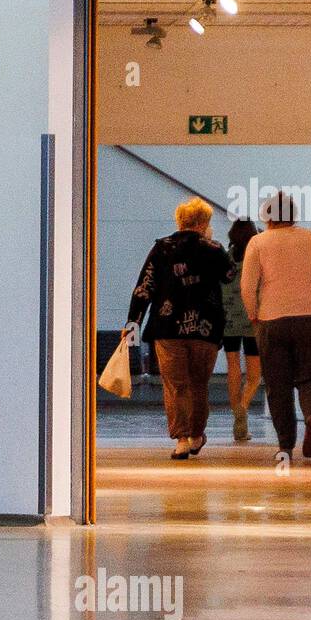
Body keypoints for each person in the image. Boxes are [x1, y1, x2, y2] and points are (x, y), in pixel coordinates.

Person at [125, 197, 236, 460]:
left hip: (167, 328)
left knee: (176, 385)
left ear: (180, 221)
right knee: (199, 384)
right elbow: (230, 275)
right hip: (206, 329)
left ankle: (182, 440)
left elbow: (144, 287)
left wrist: (133, 323)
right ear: (203, 223)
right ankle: (197, 435)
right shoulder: (214, 249)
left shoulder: (162, 248)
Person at [241, 192, 311, 460]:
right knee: (310, 377)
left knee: (278, 385)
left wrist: (253, 315)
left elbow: (247, 287)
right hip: (310, 319)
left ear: (267, 216)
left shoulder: (258, 242)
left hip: (271, 319)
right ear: (293, 215)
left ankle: (285, 444)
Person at [223, 217, 263, 442]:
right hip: (252, 318)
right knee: (255, 375)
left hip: (228, 319)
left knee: (233, 368)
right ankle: (242, 408)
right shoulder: (257, 256)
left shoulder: (225, 257)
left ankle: (235, 412)